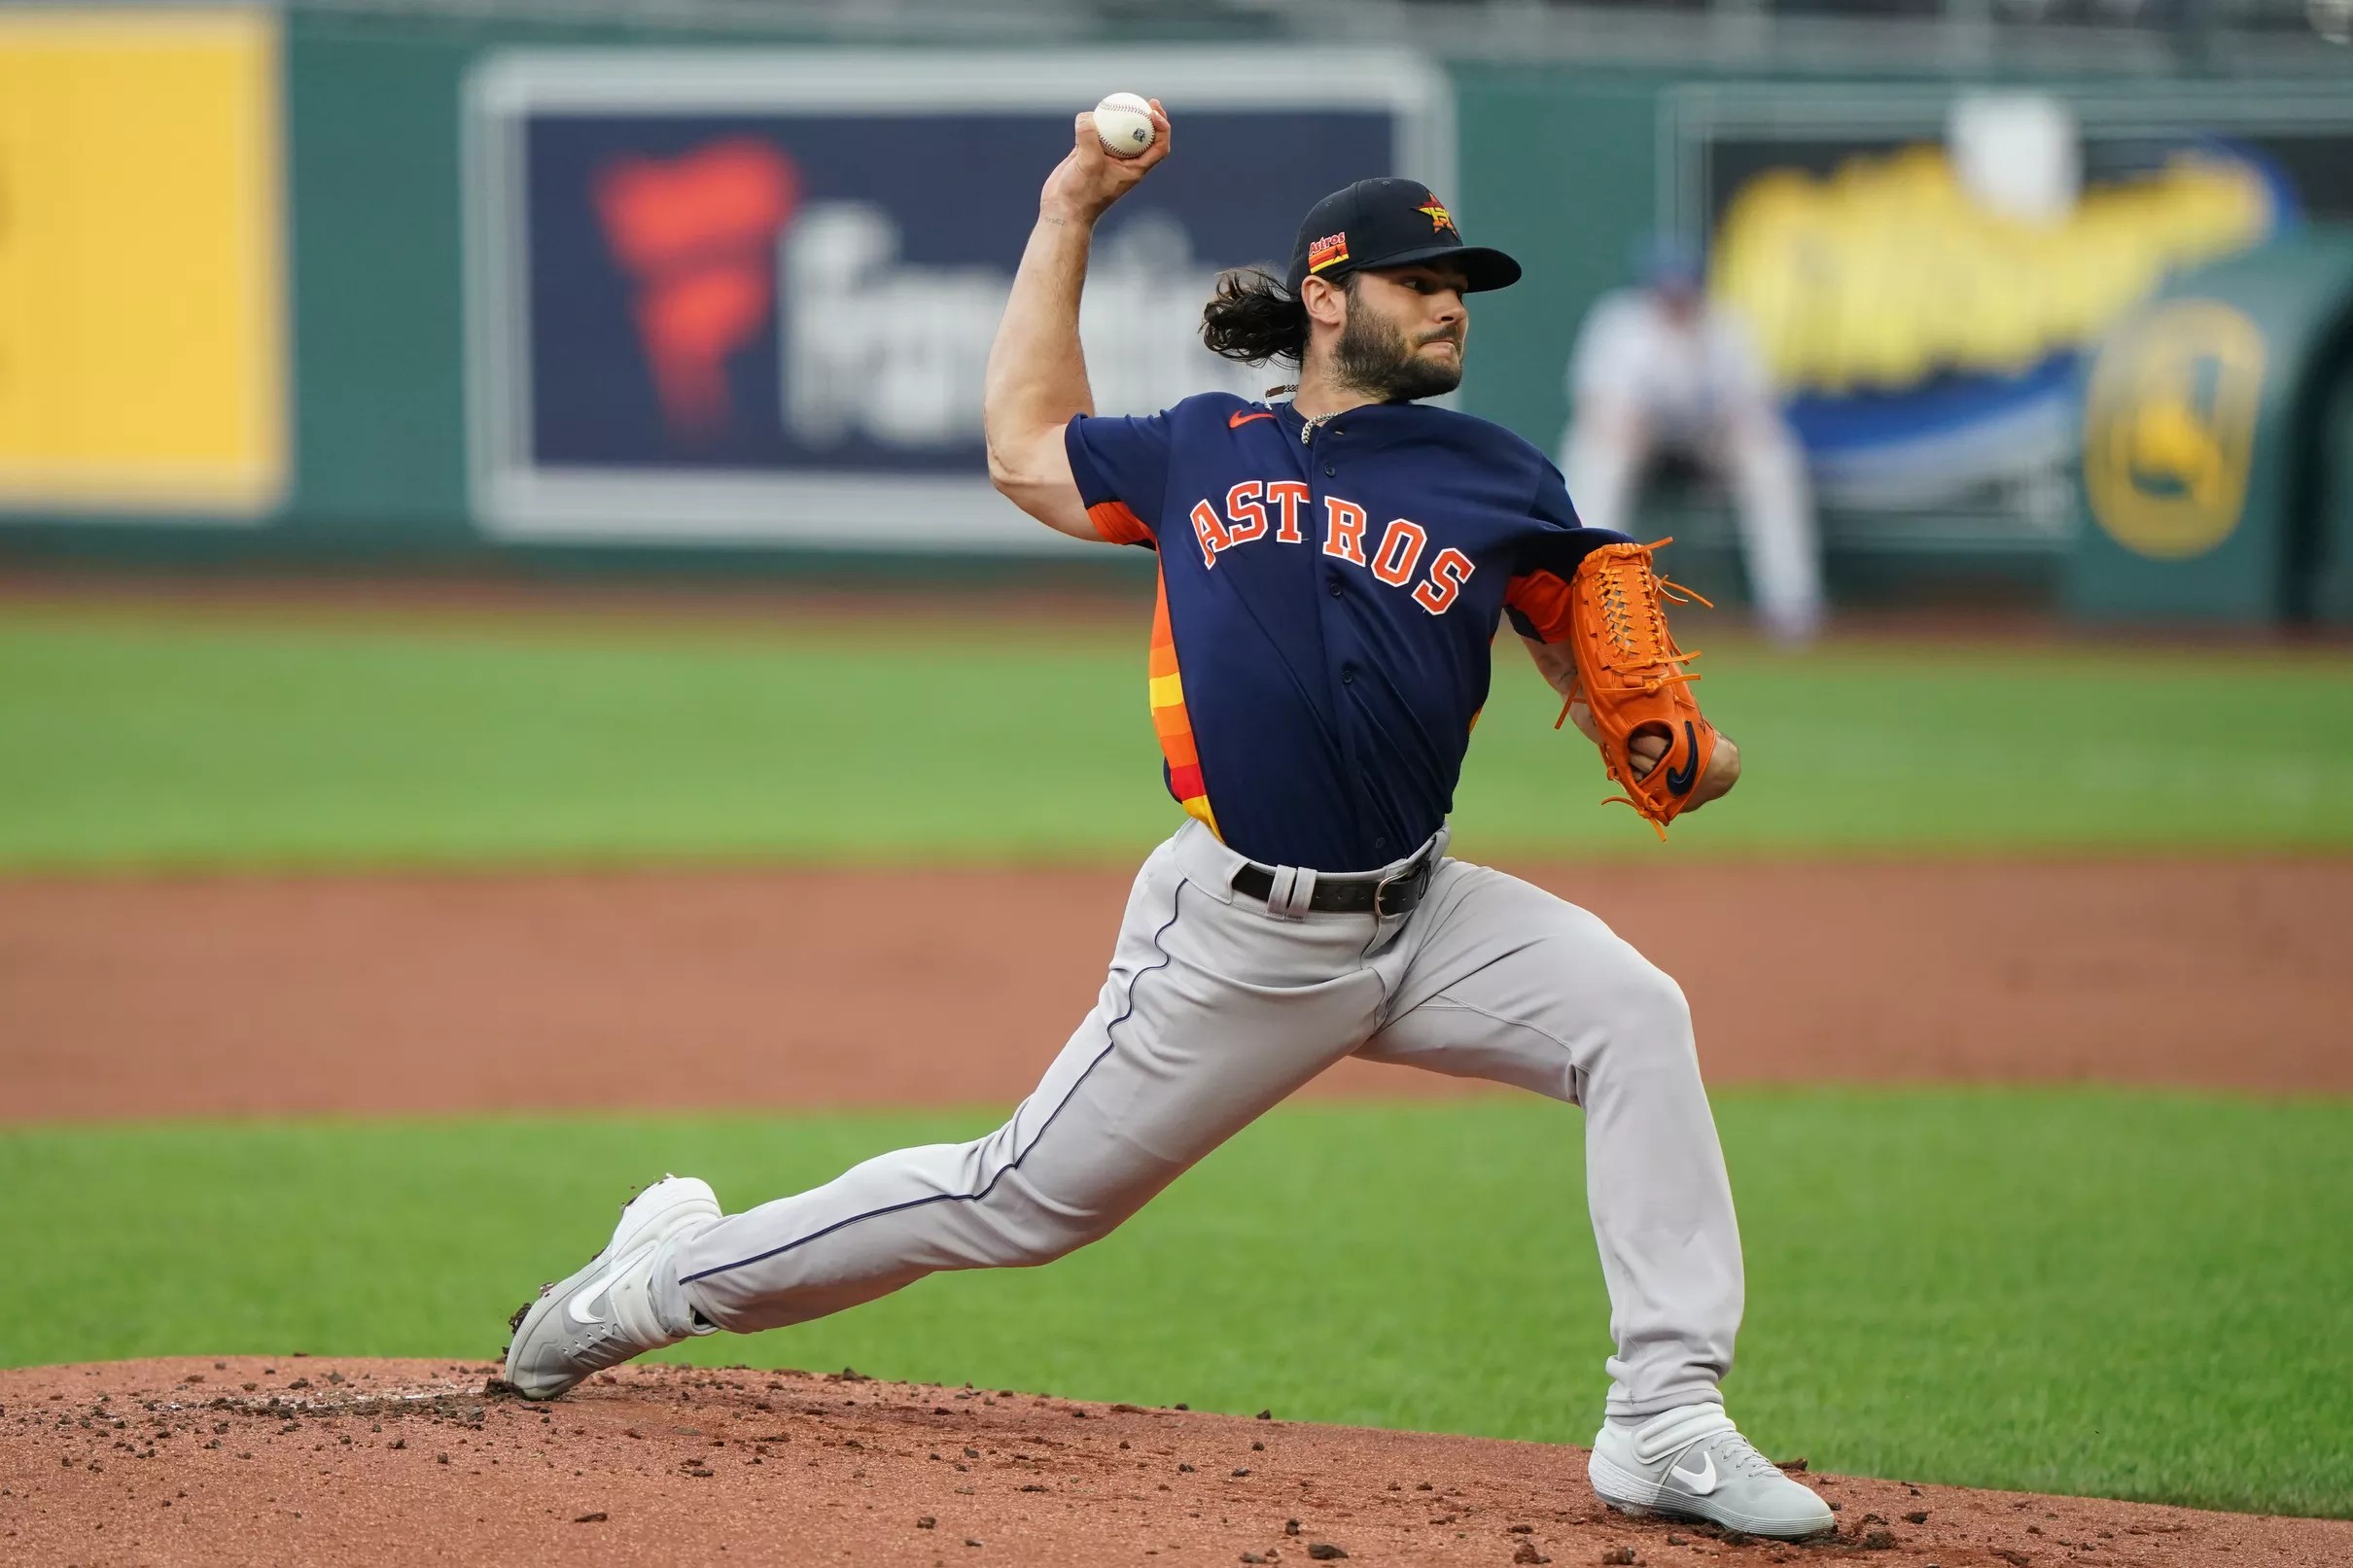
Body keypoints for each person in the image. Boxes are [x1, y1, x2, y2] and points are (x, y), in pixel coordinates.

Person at [503, 102, 1834, 1542]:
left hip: (1427, 912)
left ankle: (1663, 1419)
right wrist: (1069, 208)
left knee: (1631, 1014)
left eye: (1461, 287)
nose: (1451, 305)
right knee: (1015, 1199)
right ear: (1326, 298)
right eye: (1419, 282)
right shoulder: (1201, 445)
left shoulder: (1499, 476)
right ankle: (655, 1281)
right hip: (1238, 939)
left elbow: (1590, 653)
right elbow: (1023, 443)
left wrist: (1681, 747)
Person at [1560, 241, 1825, 644]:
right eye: (1668, 291)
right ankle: (1586, 593)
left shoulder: (1728, 324)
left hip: (1710, 441)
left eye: (1683, 291)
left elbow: (1754, 410)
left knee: (1770, 460)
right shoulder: (1620, 323)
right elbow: (1603, 412)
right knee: (1598, 456)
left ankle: (1790, 605)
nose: (1676, 301)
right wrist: (1633, 432)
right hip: (1640, 441)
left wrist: (1734, 435)